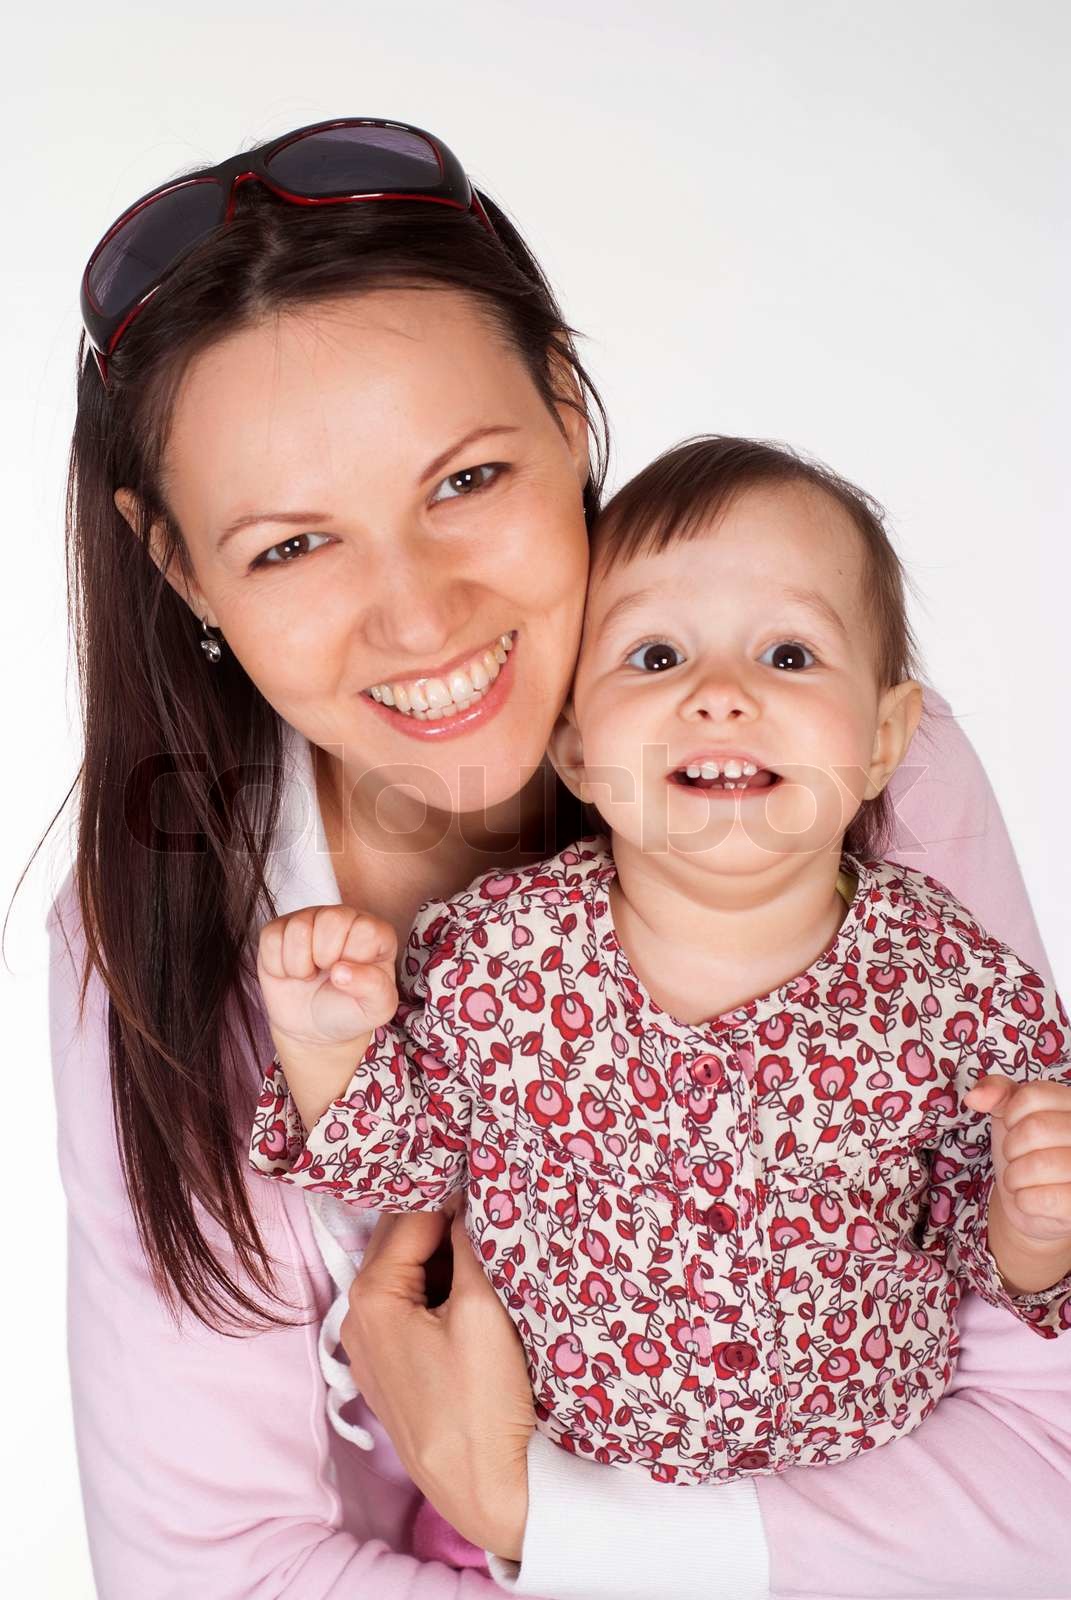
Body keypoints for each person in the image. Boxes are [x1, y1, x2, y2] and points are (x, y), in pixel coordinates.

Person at [43, 114, 1071, 1598]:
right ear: (174, 562)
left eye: (464, 482)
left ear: (566, 409)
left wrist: (545, 1522)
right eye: (288, 546)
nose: (417, 617)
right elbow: (205, 1568)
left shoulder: (835, 756)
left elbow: (1042, 1463)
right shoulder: (147, 931)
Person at [245, 433, 1071, 1489]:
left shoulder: (958, 986)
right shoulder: (503, 955)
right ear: (578, 746)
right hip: (550, 1510)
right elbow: (400, 1168)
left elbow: (985, 1251)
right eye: (657, 657)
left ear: (882, 736)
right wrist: (326, 1045)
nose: (720, 694)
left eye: (787, 656)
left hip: (852, 1521)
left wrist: (1037, 1218)